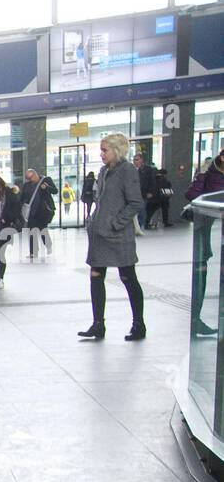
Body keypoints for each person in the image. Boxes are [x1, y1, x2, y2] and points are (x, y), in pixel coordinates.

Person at [80, 133, 146, 341]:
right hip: (99, 236)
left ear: (116, 151)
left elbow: (135, 202)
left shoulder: (127, 171)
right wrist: (93, 220)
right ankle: (98, 324)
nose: (101, 154)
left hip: (118, 237)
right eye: (101, 150)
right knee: (96, 277)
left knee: (128, 278)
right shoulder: (103, 171)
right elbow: (100, 201)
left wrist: (116, 223)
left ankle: (138, 324)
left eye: (104, 150)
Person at [185, 149, 224, 337]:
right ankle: (196, 320)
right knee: (201, 276)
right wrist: (201, 178)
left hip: (213, 234)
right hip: (209, 233)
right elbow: (191, 195)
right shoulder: (208, 175)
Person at [20, 168, 56, 259]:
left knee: (42, 229)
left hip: (43, 211)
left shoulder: (46, 180)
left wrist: (47, 187)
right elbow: (22, 197)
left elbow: (55, 191)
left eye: (31, 177)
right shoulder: (26, 185)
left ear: (35, 174)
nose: (30, 179)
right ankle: (33, 252)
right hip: (32, 212)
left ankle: (48, 245)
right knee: (32, 231)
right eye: (28, 178)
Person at [133, 153, 157, 230]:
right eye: (134, 160)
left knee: (142, 210)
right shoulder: (132, 169)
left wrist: (151, 192)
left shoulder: (147, 170)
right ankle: (135, 226)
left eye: (137, 160)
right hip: (133, 194)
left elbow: (152, 181)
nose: (135, 161)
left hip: (143, 193)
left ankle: (139, 226)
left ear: (141, 160)